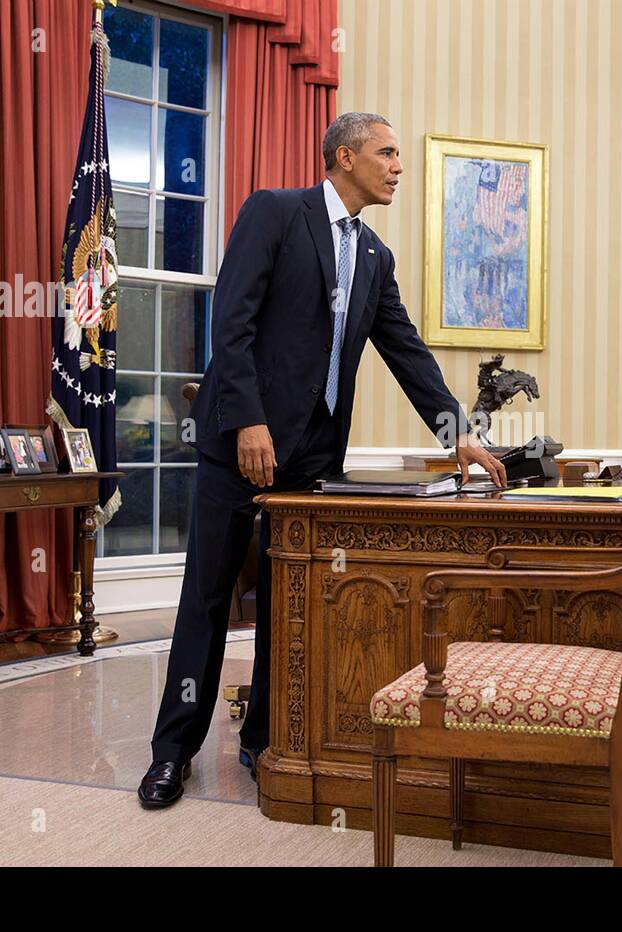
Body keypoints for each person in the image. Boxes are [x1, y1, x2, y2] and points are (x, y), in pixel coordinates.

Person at [138, 112, 507, 809]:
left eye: (399, 154)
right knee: (207, 602)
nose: (398, 165)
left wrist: (456, 430)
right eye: (387, 152)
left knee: (291, 605)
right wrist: (248, 419)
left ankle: (266, 743)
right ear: (344, 157)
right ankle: (172, 753)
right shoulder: (276, 213)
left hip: (312, 458)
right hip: (237, 447)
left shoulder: (374, 257)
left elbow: (405, 351)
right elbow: (233, 321)